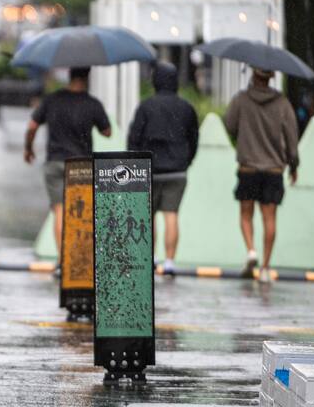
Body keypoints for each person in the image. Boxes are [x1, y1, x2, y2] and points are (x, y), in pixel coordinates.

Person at [24, 67, 112, 257]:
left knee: (60, 210)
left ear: (69, 76)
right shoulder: (92, 103)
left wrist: (28, 148)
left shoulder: (52, 99)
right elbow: (107, 132)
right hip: (81, 164)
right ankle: (79, 260)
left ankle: (62, 259)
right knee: (81, 212)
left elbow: (32, 126)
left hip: (55, 161)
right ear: (87, 77)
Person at [224, 68, 299, 283]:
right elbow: (291, 137)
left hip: (248, 167)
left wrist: (244, 134)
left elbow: (229, 125)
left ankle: (251, 251)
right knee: (270, 218)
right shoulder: (283, 103)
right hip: (274, 169)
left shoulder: (241, 100)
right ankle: (265, 267)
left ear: (253, 75)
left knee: (246, 214)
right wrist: (294, 165)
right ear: (271, 77)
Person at [127, 62, 199, 275]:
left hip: (149, 170)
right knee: (171, 214)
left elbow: (134, 138)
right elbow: (193, 138)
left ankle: (150, 257)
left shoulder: (146, 106)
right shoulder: (186, 108)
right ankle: (169, 261)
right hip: (177, 171)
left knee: (148, 216)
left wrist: (134, 165)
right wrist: (186, 161)